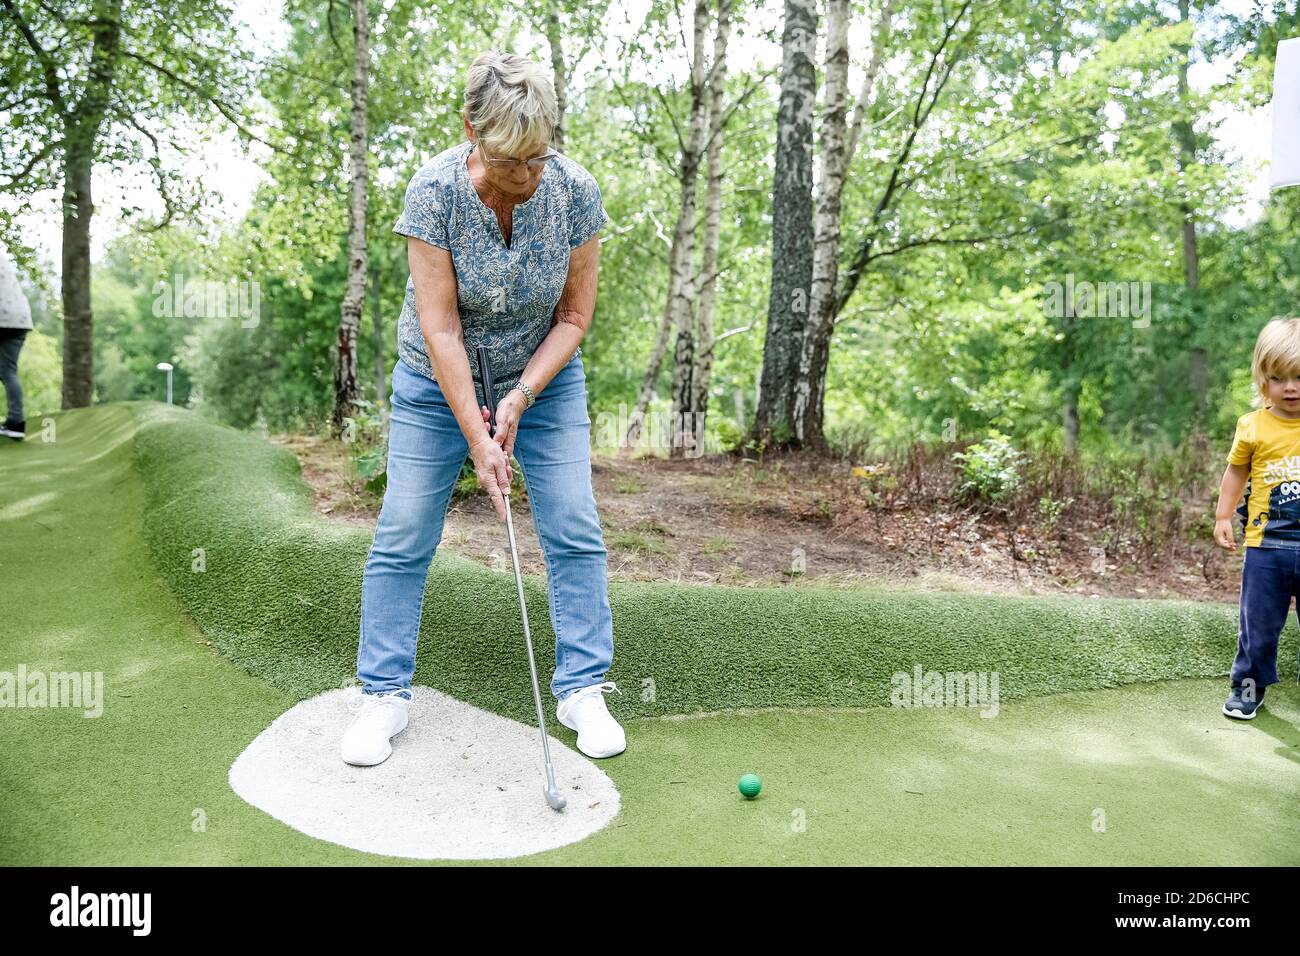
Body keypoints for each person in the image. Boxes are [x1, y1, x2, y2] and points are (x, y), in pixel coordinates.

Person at [341, 51, 625, 766]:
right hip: (434, 383)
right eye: (511, 161)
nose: (529, 176)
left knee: (573, 524)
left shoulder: (574, 191)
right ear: (471, 130)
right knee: (405, 529)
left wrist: (522, 396)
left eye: (540, 156)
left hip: (546, 376)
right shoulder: (433, 192)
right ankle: (382, 696)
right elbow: (440, 329)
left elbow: (575, 316)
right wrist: (478, 432)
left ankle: (583, 687)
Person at [1214, 317, 1300, 719]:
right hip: (1266, 547)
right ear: (1262, 379)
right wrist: (1223, 516)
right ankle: (1248, 687)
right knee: (1258, 626)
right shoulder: (1252, 426)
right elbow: (1236, 472)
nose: (1290, 387)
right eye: (1279, 377)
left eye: (1299, 377)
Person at [0, 250, 32, 441]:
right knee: (8, 371)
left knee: (7, 371)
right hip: (20, 319)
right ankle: (15, 424)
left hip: (3, 317)